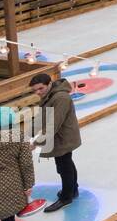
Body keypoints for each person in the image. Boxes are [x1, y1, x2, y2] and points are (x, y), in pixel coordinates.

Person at [29, 72, 82, 212]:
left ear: (49, 84)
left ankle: (66, 197)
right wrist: (27, 134)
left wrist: (36, 143)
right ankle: (73, 190)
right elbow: (42, 118)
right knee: (66, 164)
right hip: (59, 137)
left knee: (64, 166)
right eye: (35, 90)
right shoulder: (50, 96)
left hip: (64, 137)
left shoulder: (60, 98)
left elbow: (53, 124)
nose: (38, 92)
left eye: (40, 88)